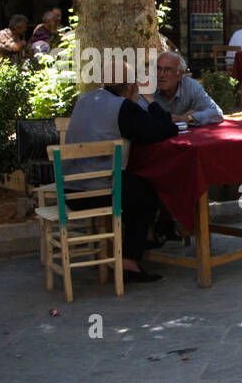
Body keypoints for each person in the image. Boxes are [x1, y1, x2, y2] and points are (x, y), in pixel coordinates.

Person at [64, 65, 179, 283]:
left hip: (69, 190)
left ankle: (139, 240)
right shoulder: (123, 107)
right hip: (98, 190)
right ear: (128, 87)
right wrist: (150, 100)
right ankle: (129, 259)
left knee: (133, 186)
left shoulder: (84, 99)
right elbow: (165, 130)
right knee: (147, 190)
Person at [149, 52, 223, 125]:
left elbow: (217, 113)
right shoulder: (149, 86)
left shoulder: (191, 87)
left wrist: (187, 119)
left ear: (180, 74)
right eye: (158, 69)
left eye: (168, 69)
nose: (161, 75)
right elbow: (141, 117)